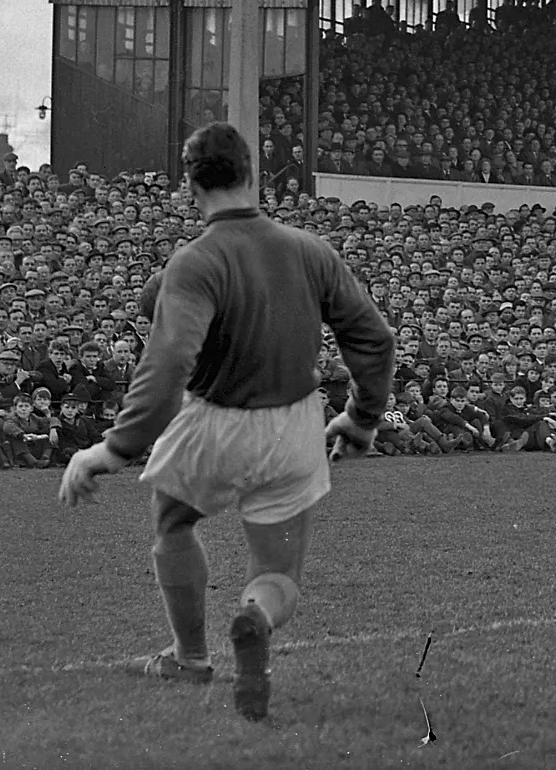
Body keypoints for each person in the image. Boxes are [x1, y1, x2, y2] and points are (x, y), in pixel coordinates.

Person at [58, 123, 394, 723]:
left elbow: (167, 364)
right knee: (276, 573)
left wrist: (113, 449)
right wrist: (362, 418)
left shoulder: (196, 261)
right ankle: (256, 618)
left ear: (189, 183)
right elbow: (373, 339)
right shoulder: (310, 250)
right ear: (251, 173)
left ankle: (189, 656)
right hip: (294, 426)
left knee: (174, 523)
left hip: (213, 421)